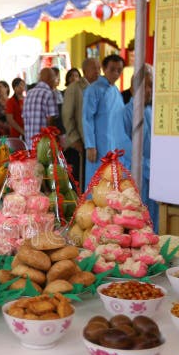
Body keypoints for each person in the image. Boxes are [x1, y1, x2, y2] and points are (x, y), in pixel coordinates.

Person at [122, 64, 158, 231]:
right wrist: (149, 166)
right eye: (145, 86)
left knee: (155, 221)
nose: (149, 90)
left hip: (154, 175)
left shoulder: (152, 111)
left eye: (152, 85)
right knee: (137, 223)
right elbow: (126, 149)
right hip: (136, 176)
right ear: (132, 89)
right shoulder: (125, 113)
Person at [82, 54, 125, 184]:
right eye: (112, 69)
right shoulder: (93, 89)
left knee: (112, 181)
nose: (115, 73)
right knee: (97, 181)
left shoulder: (116, 90)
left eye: (119, 70)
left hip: (115, 144)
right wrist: (90, 145)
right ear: (104, 69)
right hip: (99, 145)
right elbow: (87, 118)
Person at [62, 58, 100, 187]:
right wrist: (75, 139)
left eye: (99, 68)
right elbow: (67, 116)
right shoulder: (74, 88)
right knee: (80, 182)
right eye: (93, 68)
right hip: (79, 144)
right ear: (84, 71)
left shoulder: (99, 88)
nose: (97, 71)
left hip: (95, 143)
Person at [22, 67, 58, 142]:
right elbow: (51, 119)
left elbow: (24, 117)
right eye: (55, 79)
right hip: (43, 143)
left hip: (29, 141)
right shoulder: (49, 93)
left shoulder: (28, 94)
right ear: (50, 79)